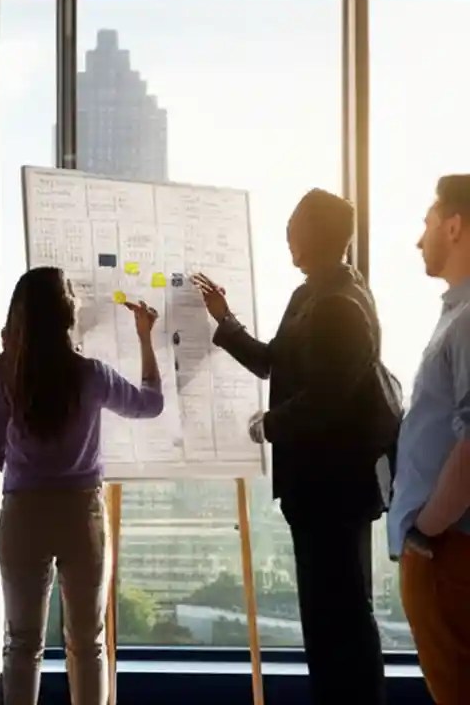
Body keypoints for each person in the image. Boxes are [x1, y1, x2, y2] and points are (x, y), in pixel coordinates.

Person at [194, 189, 387, 705]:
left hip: (335, 490)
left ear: (314, 236)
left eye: (292, 228)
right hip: (315, 489)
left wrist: (269, 424)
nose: (286, 237)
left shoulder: (341, 304)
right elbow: (270, 362)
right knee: (326, 616)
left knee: (342, 614)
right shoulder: (310, 296)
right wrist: (225, 320)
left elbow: (329, 400)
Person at [0, 267, 163, 705]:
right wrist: (144, 338)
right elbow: (150, 404)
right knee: (87, 642)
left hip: (22, 513)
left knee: (22, 643)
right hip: (82, 514)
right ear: (68, 315)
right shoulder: (91, 374)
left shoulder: (7, 374)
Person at [390, 174, 470, 704]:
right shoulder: (455, 315)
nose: (420, 239)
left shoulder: (467, 322)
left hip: (449, 552)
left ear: (456, 226)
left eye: (427, 223)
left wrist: (426, 533)